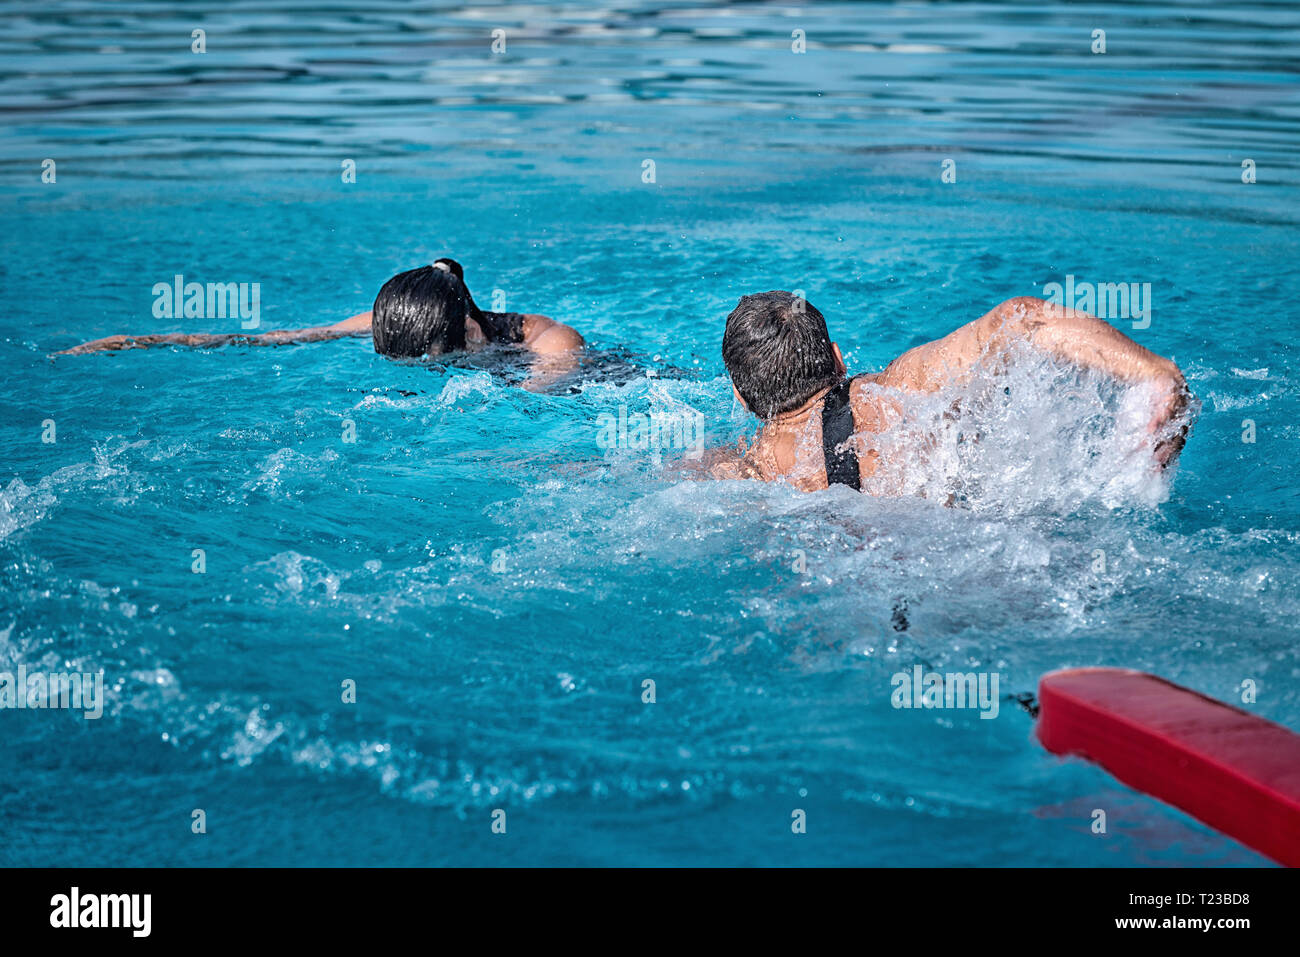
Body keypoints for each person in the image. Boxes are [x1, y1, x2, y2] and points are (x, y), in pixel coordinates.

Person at [706, 291, 1191, 493]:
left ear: (741, 397)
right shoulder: (897, 394)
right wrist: (1152, 372)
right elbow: (1021, 318)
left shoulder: (741, 473)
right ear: (837, 357)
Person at [56, 258, 583, 359]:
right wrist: (142, 341)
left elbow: (548, 395)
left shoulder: (550, 341)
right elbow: (277, 339)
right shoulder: (393, 324)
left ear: (470, 333)